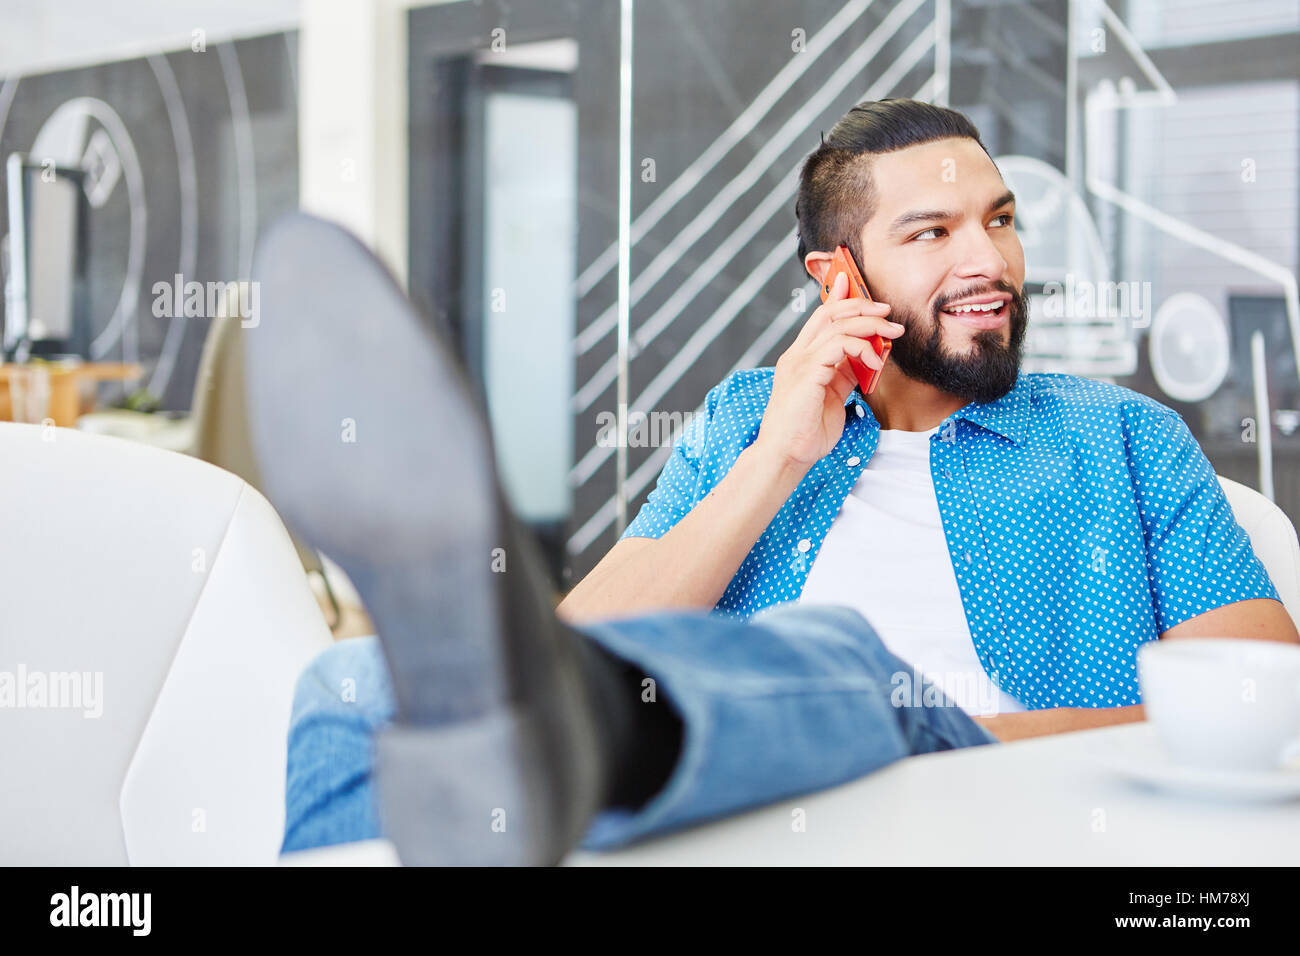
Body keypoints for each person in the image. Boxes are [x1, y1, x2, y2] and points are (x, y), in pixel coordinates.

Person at [244, 99, 1296, 866]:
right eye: (932, 232)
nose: (991, 259)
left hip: (953, 776)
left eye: (1001, 218)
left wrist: (944, 741)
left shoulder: (1123, 437)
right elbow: (576, 643)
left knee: (833, 650)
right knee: (347, 688)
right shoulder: (747, 420)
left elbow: (1262, 706)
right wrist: (778, 456)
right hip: (735, 800)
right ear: (837, 278)